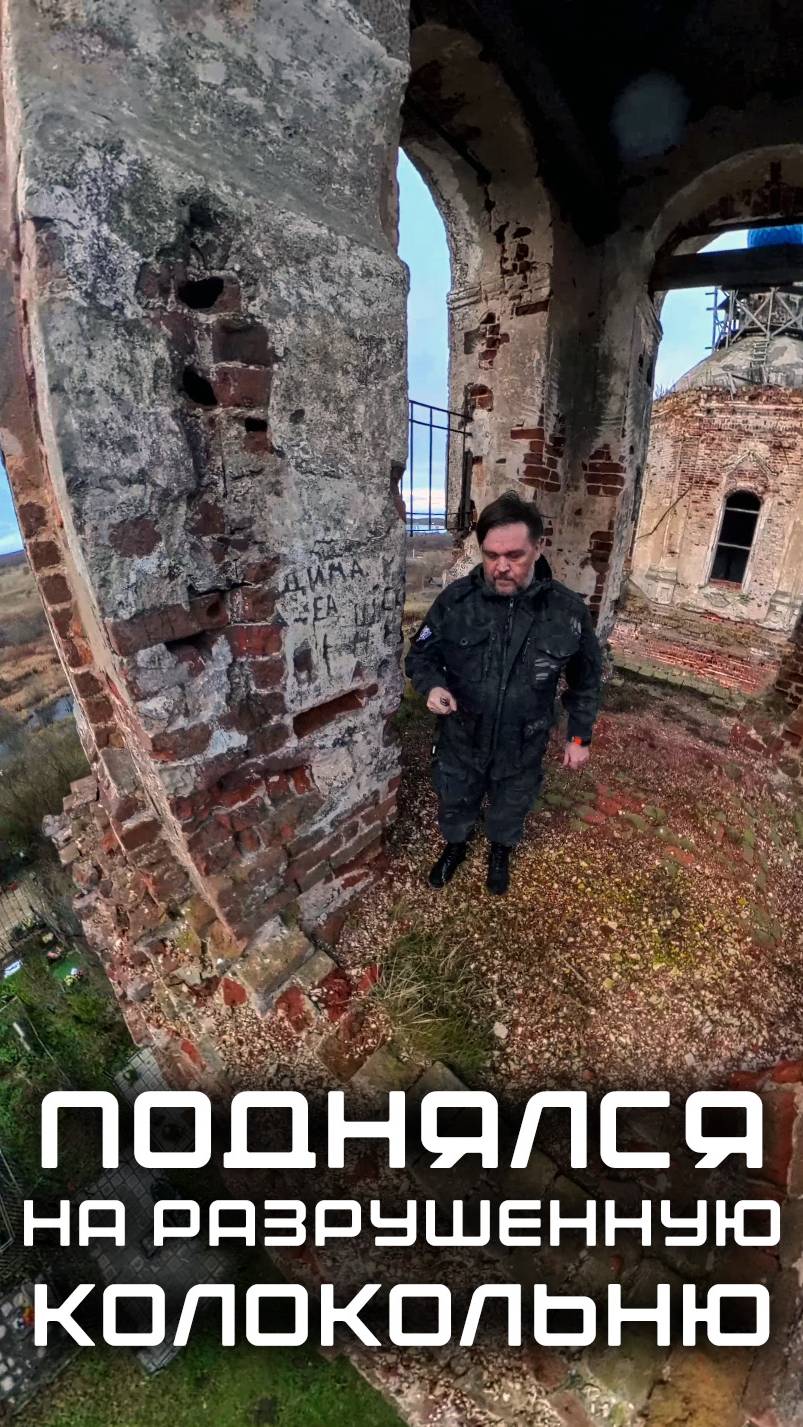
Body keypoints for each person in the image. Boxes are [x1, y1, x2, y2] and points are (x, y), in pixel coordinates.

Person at [405, 491, 603, 895]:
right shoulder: (455, 602)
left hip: (523, 742)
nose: (501, 566)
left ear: (538, 547)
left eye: (514, 555)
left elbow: (586, 680)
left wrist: (579, 737)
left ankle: (500, 849)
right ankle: (456, 844)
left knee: (513, 802)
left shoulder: (567, 612)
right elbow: (421, 654)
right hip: (461, 736)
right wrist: (432, 686)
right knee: (455, 797)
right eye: (491, 555)